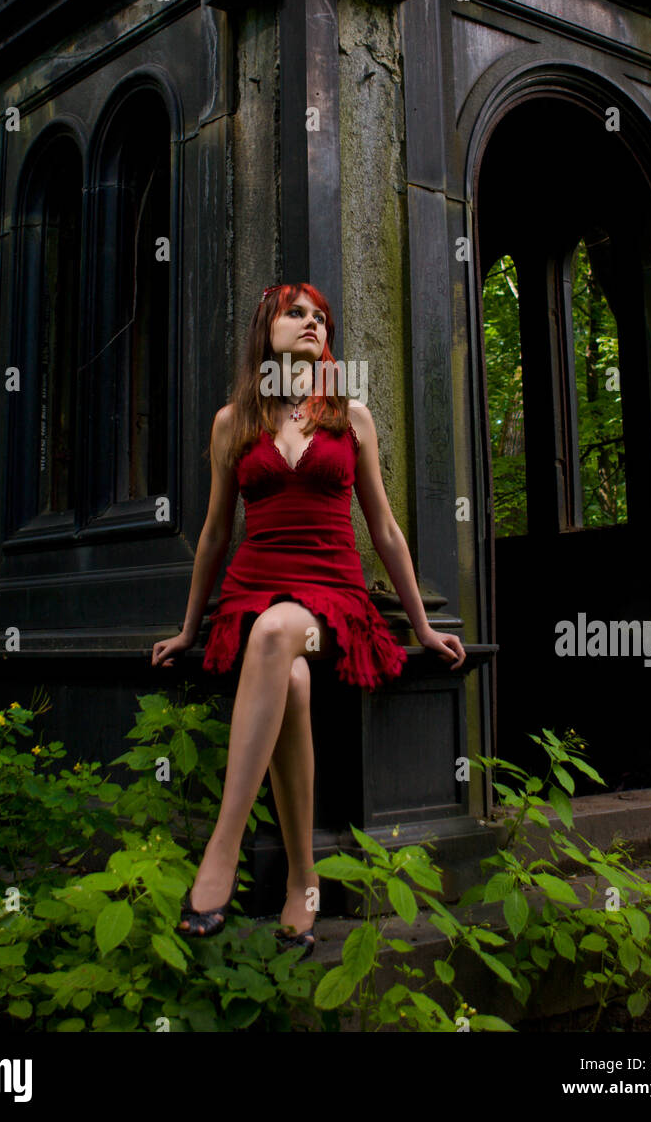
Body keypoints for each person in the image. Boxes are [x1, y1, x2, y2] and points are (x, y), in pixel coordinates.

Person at [151, 282, 466, 955]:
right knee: (287, 677)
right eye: (296, 313)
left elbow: (383, 528)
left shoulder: (349, 417)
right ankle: (303, 877)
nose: (311, 323)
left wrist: (423, 624)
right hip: (251, 588)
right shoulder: (232, 422)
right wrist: (188, 627)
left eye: (320, 317)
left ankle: (223, 849)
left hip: (331, 593)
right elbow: (212, 535)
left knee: (277, 633)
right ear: (266, 327)